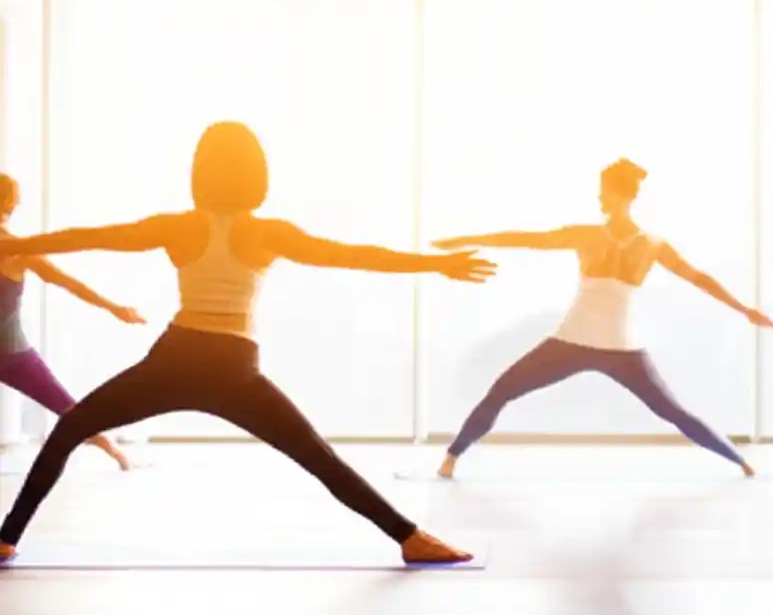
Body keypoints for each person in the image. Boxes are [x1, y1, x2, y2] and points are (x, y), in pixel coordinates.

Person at [0, 121, 495, 564]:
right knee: (317, 456)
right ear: (256, 174)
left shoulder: (179, 226)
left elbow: (92, 237)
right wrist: (436, 264)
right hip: (232, 367)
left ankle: (6, 537)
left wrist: (20, 245)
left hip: (174, 358)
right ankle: (408, 536)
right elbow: (352, 256)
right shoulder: (265, 232)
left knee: (70, 430)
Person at [432, 158, 773, 479]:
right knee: (673, 412)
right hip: (604, 344)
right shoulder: (650, 244)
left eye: (602, 192)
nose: (599, 199)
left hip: (584, 342)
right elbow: (697, 277)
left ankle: (450, 461)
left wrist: (467, 239)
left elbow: (528, 239)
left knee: (502, 391)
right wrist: (744, 310)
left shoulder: (595, 236)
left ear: (615, 193)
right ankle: (744, 464)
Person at [0, 173, 139, 470]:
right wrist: (114, 308)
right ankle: (116, 453)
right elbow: (67, 283)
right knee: (68, 408)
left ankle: (115, 452)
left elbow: (66, 282)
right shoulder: (18, 249)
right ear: (10, 203)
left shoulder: (18, 249)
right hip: (12, 354)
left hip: (12, 354)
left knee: (67, 406)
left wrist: (114, 307)